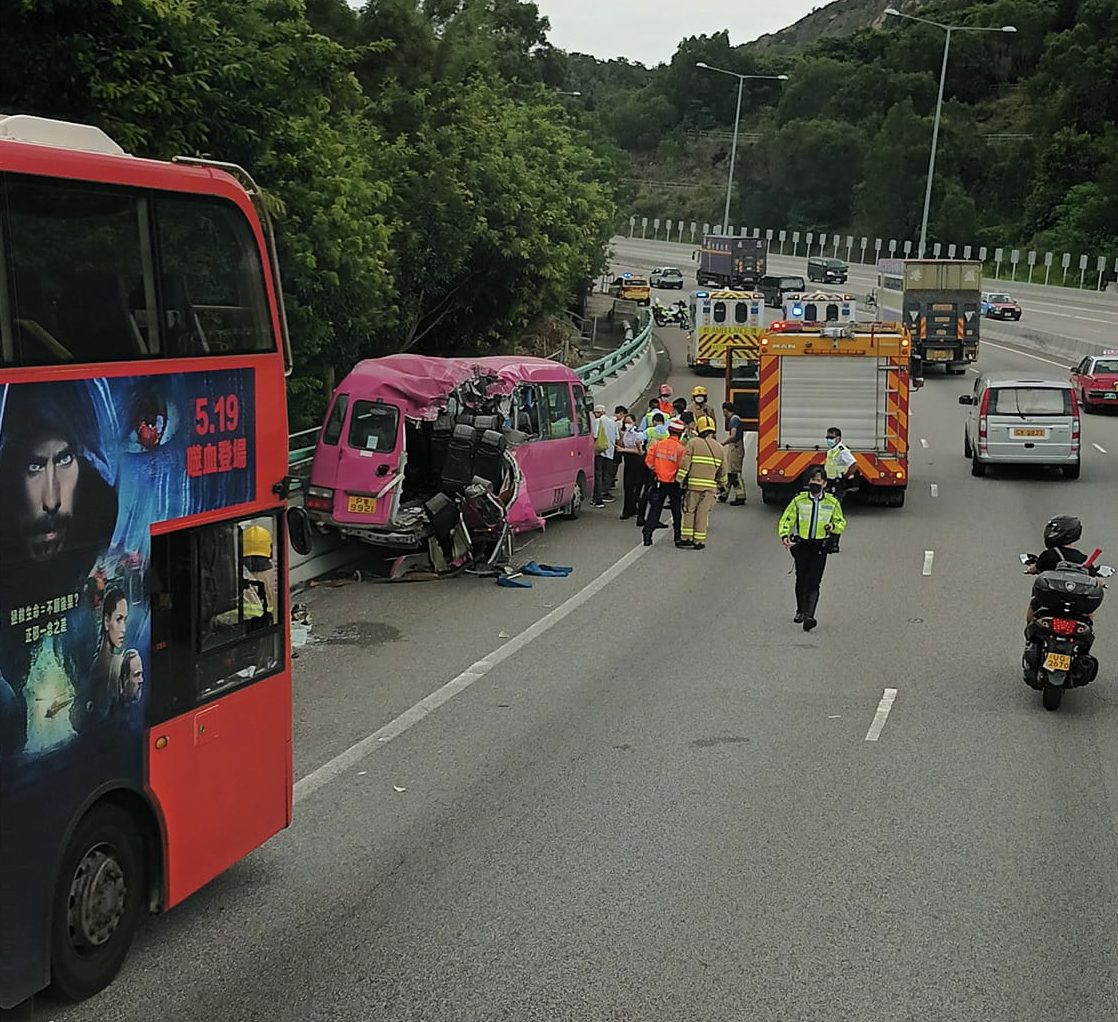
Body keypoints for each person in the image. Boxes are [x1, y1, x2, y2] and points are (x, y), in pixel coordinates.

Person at [778, 466, 846, 632]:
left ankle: (810, 616)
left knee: (815, 581)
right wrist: (784, 535)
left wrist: (833, 526)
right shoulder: (799, 501)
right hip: (802, 545)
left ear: (824, 483)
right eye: (812, 480)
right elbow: (786, 519)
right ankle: (800, 610)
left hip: (820, 546)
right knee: (801, 578)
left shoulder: (832, 502)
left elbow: (841, 522)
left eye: (818, 480)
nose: (815, 483)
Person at [1024, 515, 1099, 628]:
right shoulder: (1083, 559)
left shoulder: (1050, 555)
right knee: (1088, 614)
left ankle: (1030, 638)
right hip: (1076, 603)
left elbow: (1037, 568)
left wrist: (1031, 569)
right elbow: (1094, 577)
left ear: (1065, 534)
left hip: (1051, 600)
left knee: (1033, 607)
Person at [72, 585, 129, 733]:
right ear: (106, 621)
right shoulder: (98, 667)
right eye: (119, 619)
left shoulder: (117, 662)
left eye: (125, 620)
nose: (124, 628)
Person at [676, 416, 724, 550]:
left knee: (690, 511)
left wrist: (679, 479)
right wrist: (722, 484)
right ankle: (699, 541)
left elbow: (686, 463)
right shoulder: (719, 447)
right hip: (710, 488)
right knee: (703, 514)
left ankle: (687, 538)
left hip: (693, 486)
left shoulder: (693, 443)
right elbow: (723, 470)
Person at [643, 418, 687, 547]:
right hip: (674, 483)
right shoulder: (680, 449)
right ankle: (677, 537)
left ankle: (647, 535)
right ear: (681, 433)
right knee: (676, 510)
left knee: (655, 509)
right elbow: (681, 467)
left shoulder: (658, 445)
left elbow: (648, 461)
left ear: (669, 430)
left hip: (658, 481)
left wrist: (656, 470)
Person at [823, 426, 857, 552]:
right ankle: (830, 541)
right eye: (827, 437)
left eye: (831, 437)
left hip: (838, 484)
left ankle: (834, 543)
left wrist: (847, 476)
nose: (829, 440)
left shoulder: (842, 450)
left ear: (838, 438)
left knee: (834, 514)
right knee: (829, 513)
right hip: (830, 483)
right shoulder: (832, 451)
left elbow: (854, 464)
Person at [636, 412, 668, 527]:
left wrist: (641, 453)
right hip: (660, 464)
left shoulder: (649, 431)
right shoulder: (666, 433)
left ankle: (640, 517)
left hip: (647, 461)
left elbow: (638, 440)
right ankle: (654, 519)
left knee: (645, 490)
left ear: (654, 421)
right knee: (656, 493)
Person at [617, 414, 647, 521]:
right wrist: (621, 435)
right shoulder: (626, 434)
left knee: (635, 486)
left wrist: (623, 450)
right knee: (628, 486)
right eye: (626, 422)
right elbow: (621, 445)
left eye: (629, 422)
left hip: (637, 462)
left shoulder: (637, 434)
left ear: (634, 422)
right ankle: (630, 508)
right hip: (628, 461)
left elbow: (639, 451)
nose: (627, 424)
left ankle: (631, 509)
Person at [590, 404, 619, 507]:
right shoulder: (612, 422)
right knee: (606, 474)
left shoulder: (598, 421)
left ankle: (597, 499)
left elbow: (595, 435)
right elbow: (617, 437)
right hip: (610, 452)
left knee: (598, 475)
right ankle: (605, 493)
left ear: (598, 413)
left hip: (600, 451)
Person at [720, 401, 747, 506]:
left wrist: (723, 443)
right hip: (735, 446)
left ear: (726, 410)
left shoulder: (734, 420)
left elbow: (733, 435)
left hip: (735, 447)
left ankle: (741, 497)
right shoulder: (736, 418)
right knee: (730, 472)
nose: (723, 413)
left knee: (734, 473)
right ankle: (723, 495)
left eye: (723, 411)